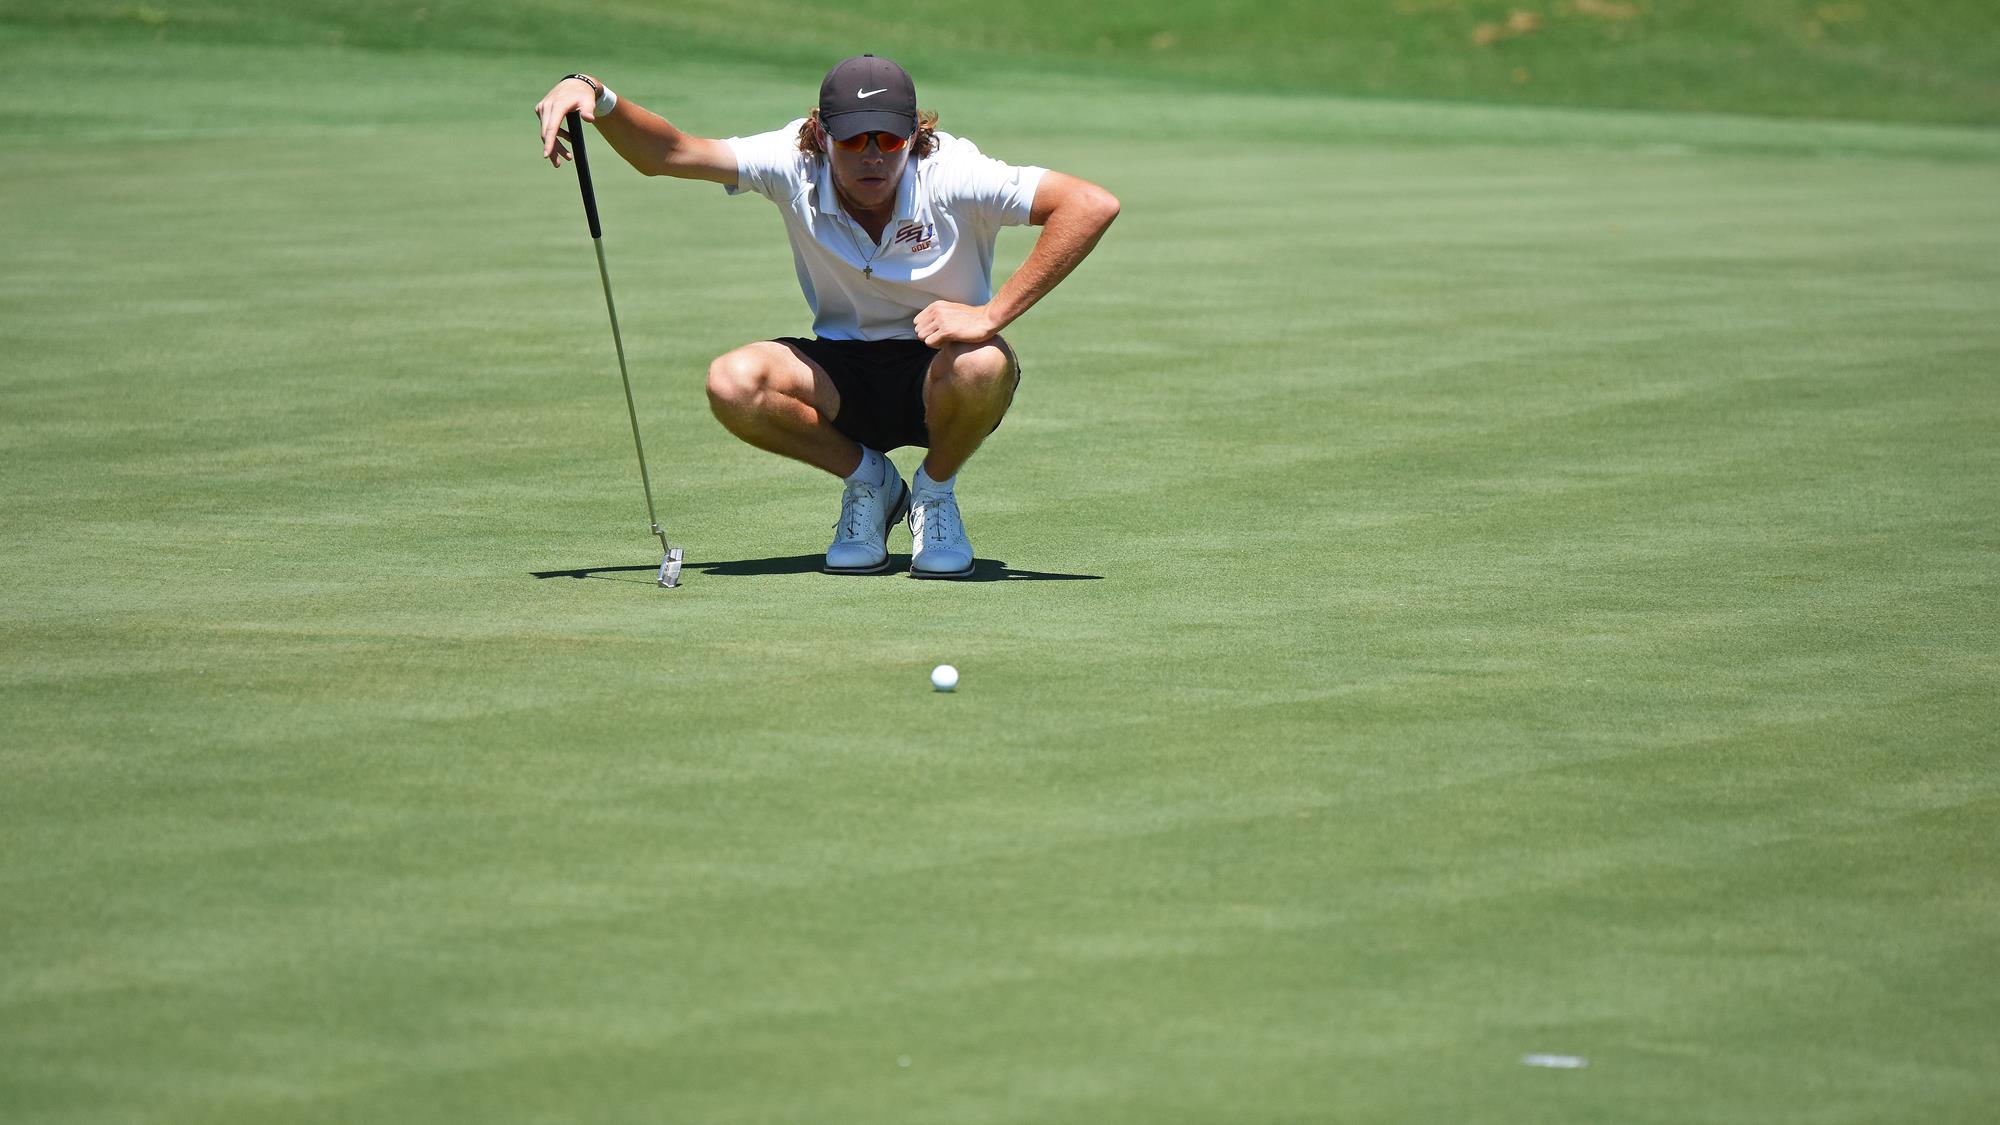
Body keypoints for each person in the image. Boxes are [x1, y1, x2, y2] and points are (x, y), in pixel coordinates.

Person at [533, 55, 1119, 579]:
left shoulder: (956, 174)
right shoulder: (792, 161)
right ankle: (871, 482)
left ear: (914, 137)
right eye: (853, 140)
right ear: (821, 134)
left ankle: (934, 493)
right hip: (842, 373)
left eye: (888, 142)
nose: (871, 156)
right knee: (732, 382)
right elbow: (669, 153)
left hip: (940, 370)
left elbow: (1090, 204)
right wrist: (595, 95)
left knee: (983, 361)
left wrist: (991, 313)